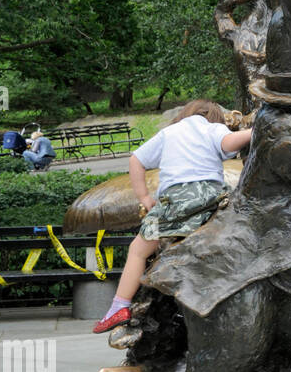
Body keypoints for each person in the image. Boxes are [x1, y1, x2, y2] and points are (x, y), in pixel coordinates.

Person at [92, 100, 252, 333]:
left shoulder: (169, 133)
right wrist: (255, 131)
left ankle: (119, 306)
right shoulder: (212, 128)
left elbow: (136, 160)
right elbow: (229, 142)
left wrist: (144, 197)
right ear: (215, 117)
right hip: (211, 199)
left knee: (138, 250)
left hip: (176, 202)